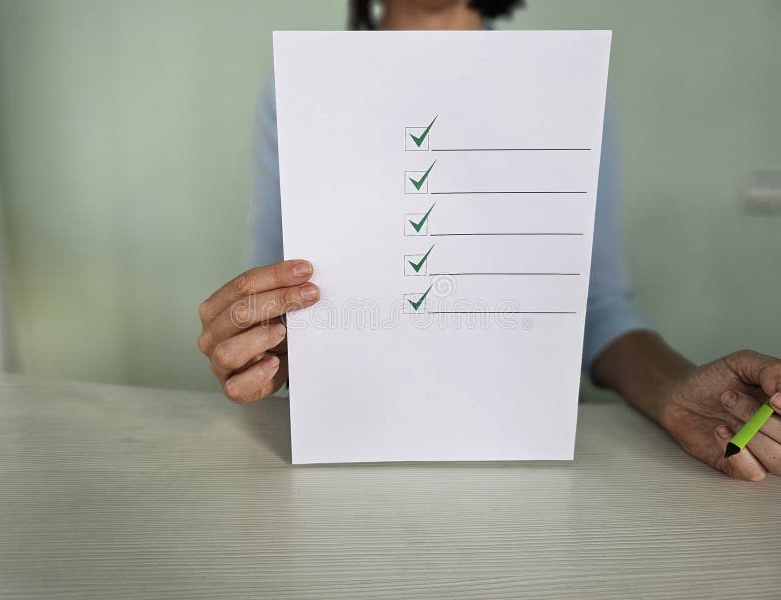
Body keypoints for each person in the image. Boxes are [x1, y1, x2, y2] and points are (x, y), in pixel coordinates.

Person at [197, 0, 781, 481]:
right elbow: (283, 296)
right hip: (351, 468)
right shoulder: (297, 89)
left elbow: (595, 305)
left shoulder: (565, 86)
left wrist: (674, 391)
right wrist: (261, 341)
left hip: (523, 469)